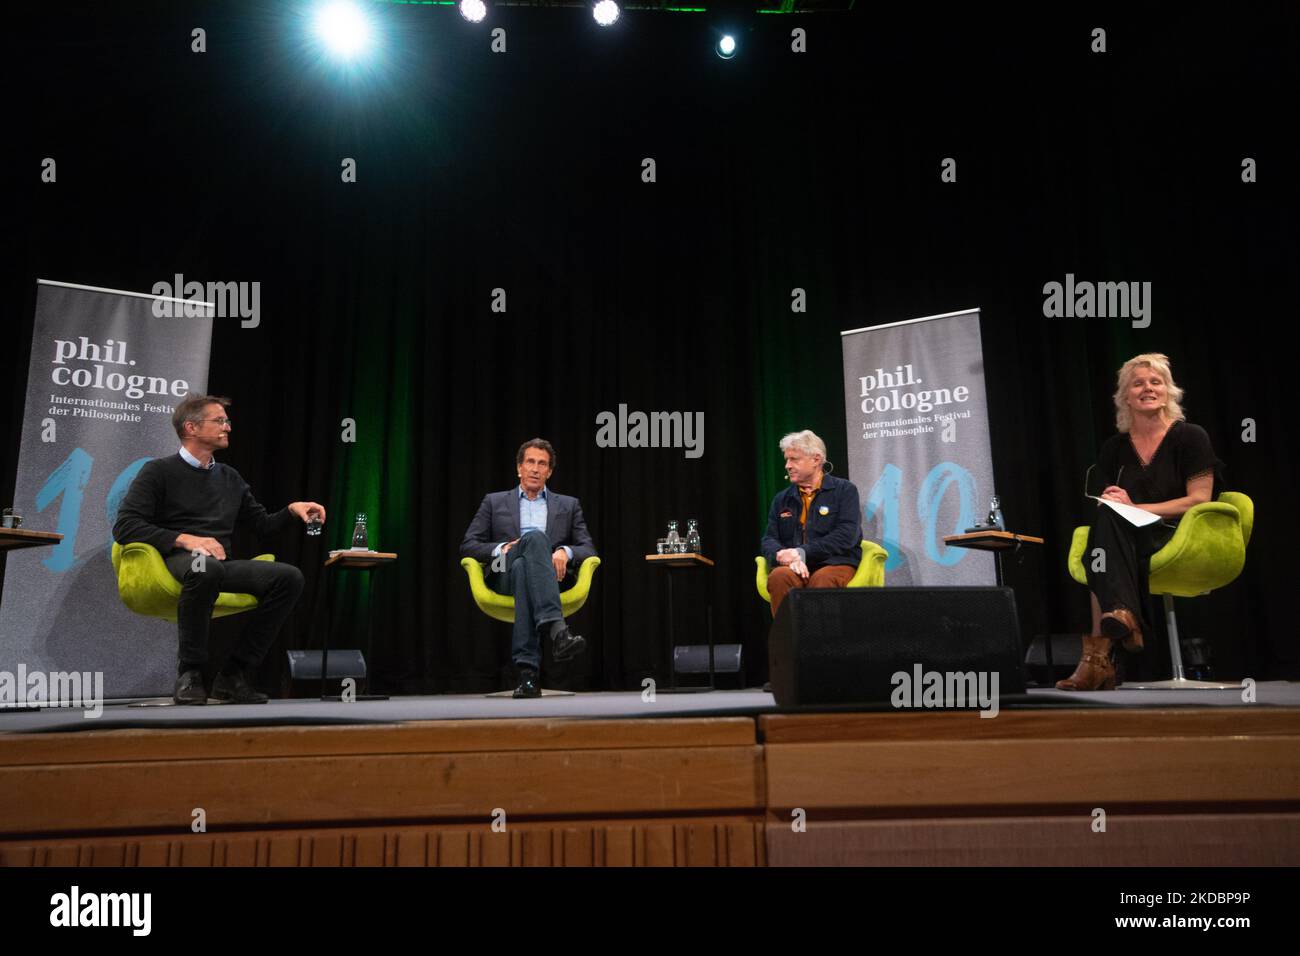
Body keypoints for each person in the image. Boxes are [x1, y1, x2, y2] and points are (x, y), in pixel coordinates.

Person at [112, 394, 325, 705]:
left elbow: (262, 525)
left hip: (219, 564)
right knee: (204, 567)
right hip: (177, 561)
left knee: (288, 578)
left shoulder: (229, 477)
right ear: (191, 427)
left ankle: (233, 674)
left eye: (227, 421)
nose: (228, 427)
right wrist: (185, 539)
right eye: (220, 421)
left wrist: (292, 510)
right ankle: (191, 673)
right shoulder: (158, 472)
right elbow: (126, 526)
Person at [1057, 354, 1221, 691]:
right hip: (1125, 536)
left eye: (1156, 381)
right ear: (1125, 397)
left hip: (1176, 535)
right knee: (1104, 524)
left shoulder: (1190, 436)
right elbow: (1107, 500)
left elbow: (1200, 499)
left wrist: (1137, 506)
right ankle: (1119, 620)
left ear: (1168, 391)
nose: (1148, 388)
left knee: (1102, 542)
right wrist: (1119, 504)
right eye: (1138, 383)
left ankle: (1099, 656)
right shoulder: (1114, 448)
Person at [460, 439, 596, 698]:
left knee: (526, 565)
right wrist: (501, 548)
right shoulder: (494, 502)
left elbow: (588, 549)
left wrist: (564, 552)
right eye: (530, 462)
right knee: (530, 544)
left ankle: (528, 676)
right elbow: (468, 545)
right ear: (519, 468)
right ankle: (558, 630)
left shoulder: (568, 505)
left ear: (550, 472)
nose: (535, 468)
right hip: (504, 573)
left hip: (549, 576)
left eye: (542, 464)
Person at [760, 429, 863, 617]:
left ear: (816, 459)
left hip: (834, 562)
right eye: (787, 459)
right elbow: (769, 539)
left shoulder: (844, 490)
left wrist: (802, 553)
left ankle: (823, 645)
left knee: (822, 580)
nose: (787, 465)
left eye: (794, 459)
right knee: (779, 576)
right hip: (794, 567)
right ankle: (789, 644)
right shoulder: (782, 499)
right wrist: (782, 555)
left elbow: (846, 535)